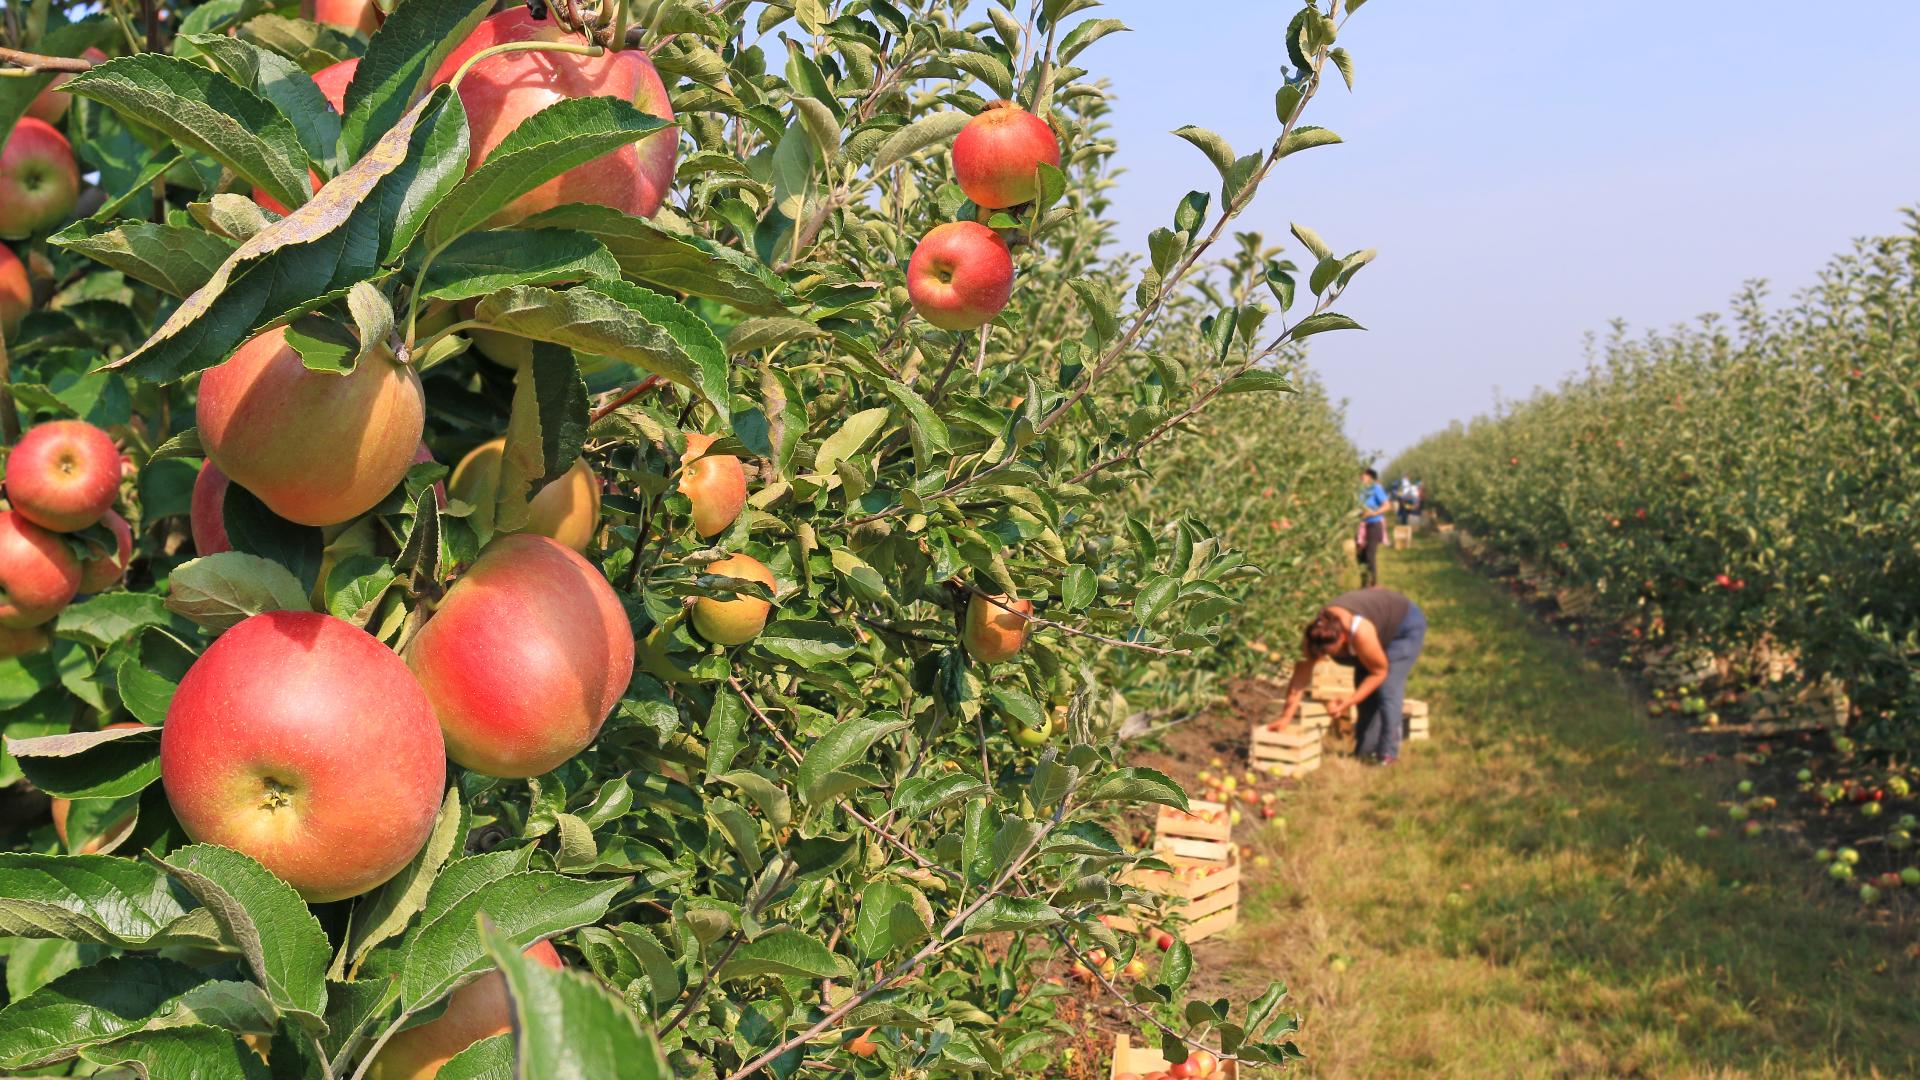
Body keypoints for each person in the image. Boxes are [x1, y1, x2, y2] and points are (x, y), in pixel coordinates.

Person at [1272, 586, 1427, 764]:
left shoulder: (1361, 632)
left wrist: (1349, 701)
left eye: (1332, 652)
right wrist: (1285, 718)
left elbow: (1379, 672)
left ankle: (1388, 754)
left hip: (1403, 627)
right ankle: (1365, 752)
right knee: (1364, 689)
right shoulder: (1315, 636)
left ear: (1344, 638)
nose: (1328, 657)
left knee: (1388, 689)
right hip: (1376, 625)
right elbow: (1299, 681)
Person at [1356, 468, 1389, 587]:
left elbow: (1387, 506)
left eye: (1363, 475)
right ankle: (1364, 585)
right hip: (1361, 526)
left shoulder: (1376, 488)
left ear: (1369, 476)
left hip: (1374, 524)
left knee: (1370, 555)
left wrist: (1374, 513)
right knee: (1360, 556)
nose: (1361, 477)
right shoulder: (1358, 490)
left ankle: (1373, 584)